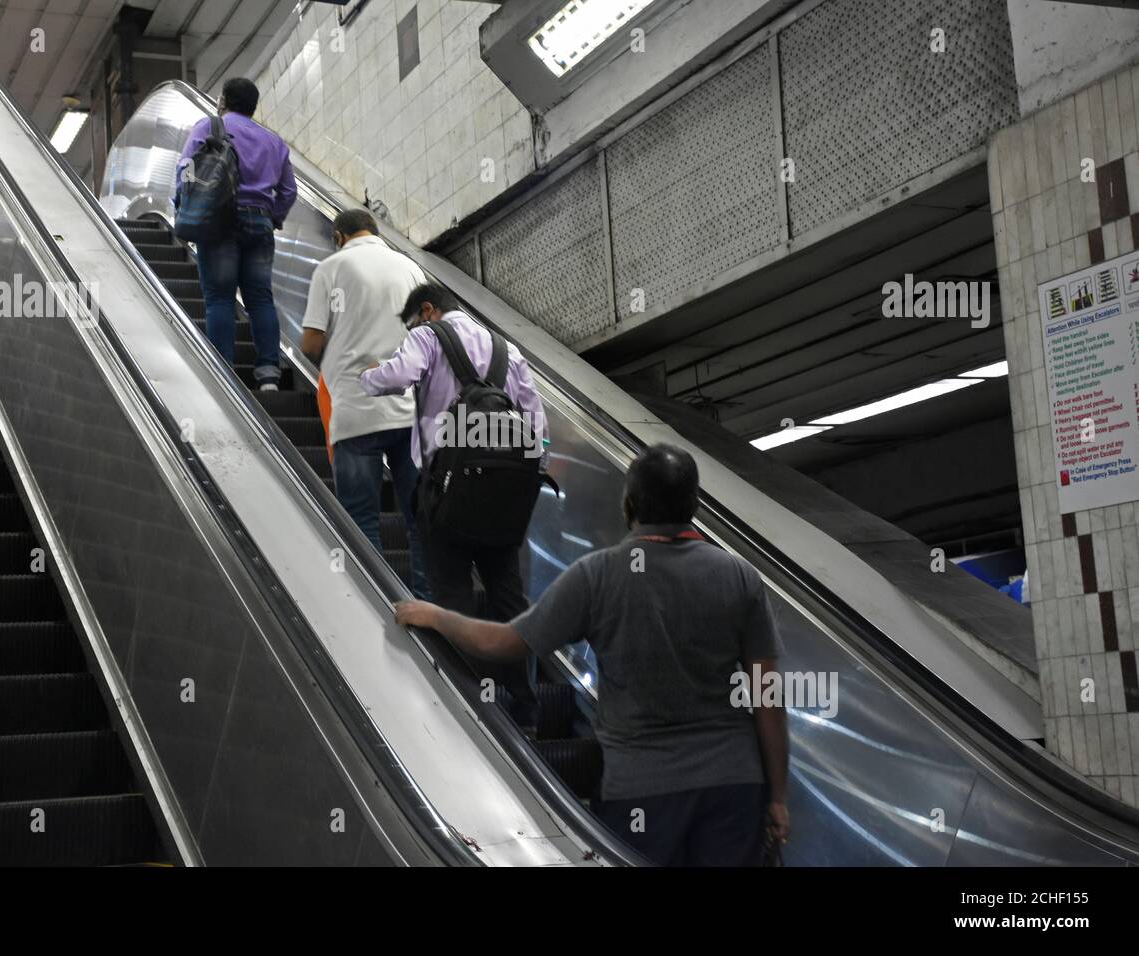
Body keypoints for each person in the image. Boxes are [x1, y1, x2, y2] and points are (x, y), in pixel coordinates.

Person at [395, 444, 790, 867]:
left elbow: (504, 643)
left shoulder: (598, 575)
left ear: (629, 504)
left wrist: (438, 616)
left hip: (642, 789)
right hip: (734, 786)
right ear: (694, 505)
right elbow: (767, 695)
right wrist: (779, 796)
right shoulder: (739, 576)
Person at [361, 284, 547, 725]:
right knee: (508, 595)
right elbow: (536, 420)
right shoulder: (507, 350)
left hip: (444, 493)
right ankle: (526, 704)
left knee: (453, 595)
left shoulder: (428, 336)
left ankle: (471, 705)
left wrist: (369, 373)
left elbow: (395, 377)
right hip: (503, 498)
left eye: (413, 321)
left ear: (428, 310)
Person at [302, 209, 427, 596]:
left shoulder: (331, 269)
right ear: (374, 231)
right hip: (410, 415)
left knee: (361, 522)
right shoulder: (410, 269)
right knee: (420, 519)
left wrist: (339, 364)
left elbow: (310, 343)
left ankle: (376, 603)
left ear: (339, 236)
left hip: (356, 415)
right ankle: (426, 605)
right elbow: (428, 337)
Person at [176, 76, 297, 391]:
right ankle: (269, 375)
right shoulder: (275, 142)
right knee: (260, 298)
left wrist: (185, 204)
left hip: (219, 222)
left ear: (223, 100)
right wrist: (275, 217)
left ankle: (224, 372)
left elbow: (186, 169)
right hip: (260, 224)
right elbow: (288, 191)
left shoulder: (209, 127)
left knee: (219, 298)